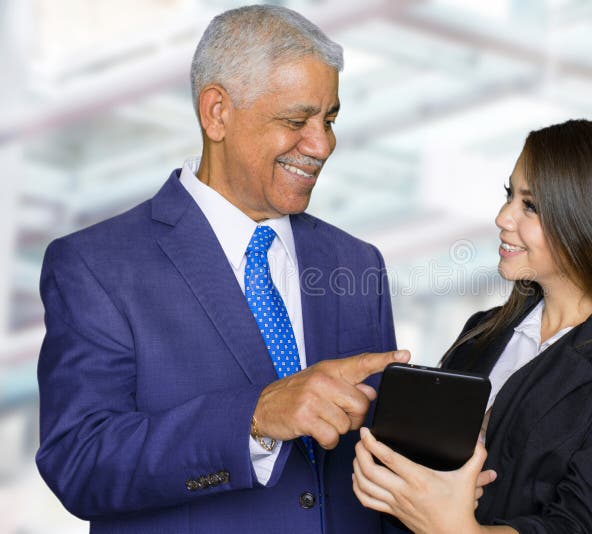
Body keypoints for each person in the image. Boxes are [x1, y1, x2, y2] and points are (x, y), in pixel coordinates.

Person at [36, 5, 410, 533]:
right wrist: (255, 417)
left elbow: (378, 464)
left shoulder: (356, 262)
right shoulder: (97, 266)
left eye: (329, 120)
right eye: (296, 120)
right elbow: (80, 463)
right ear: (217, 113)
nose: (322, 145)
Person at [352, 119, 592, 534]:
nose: (502, 217)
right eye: (509, 195)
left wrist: (455, 527)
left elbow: (580, 525)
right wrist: (395, 480)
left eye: (530, 206)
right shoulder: (482, 334)